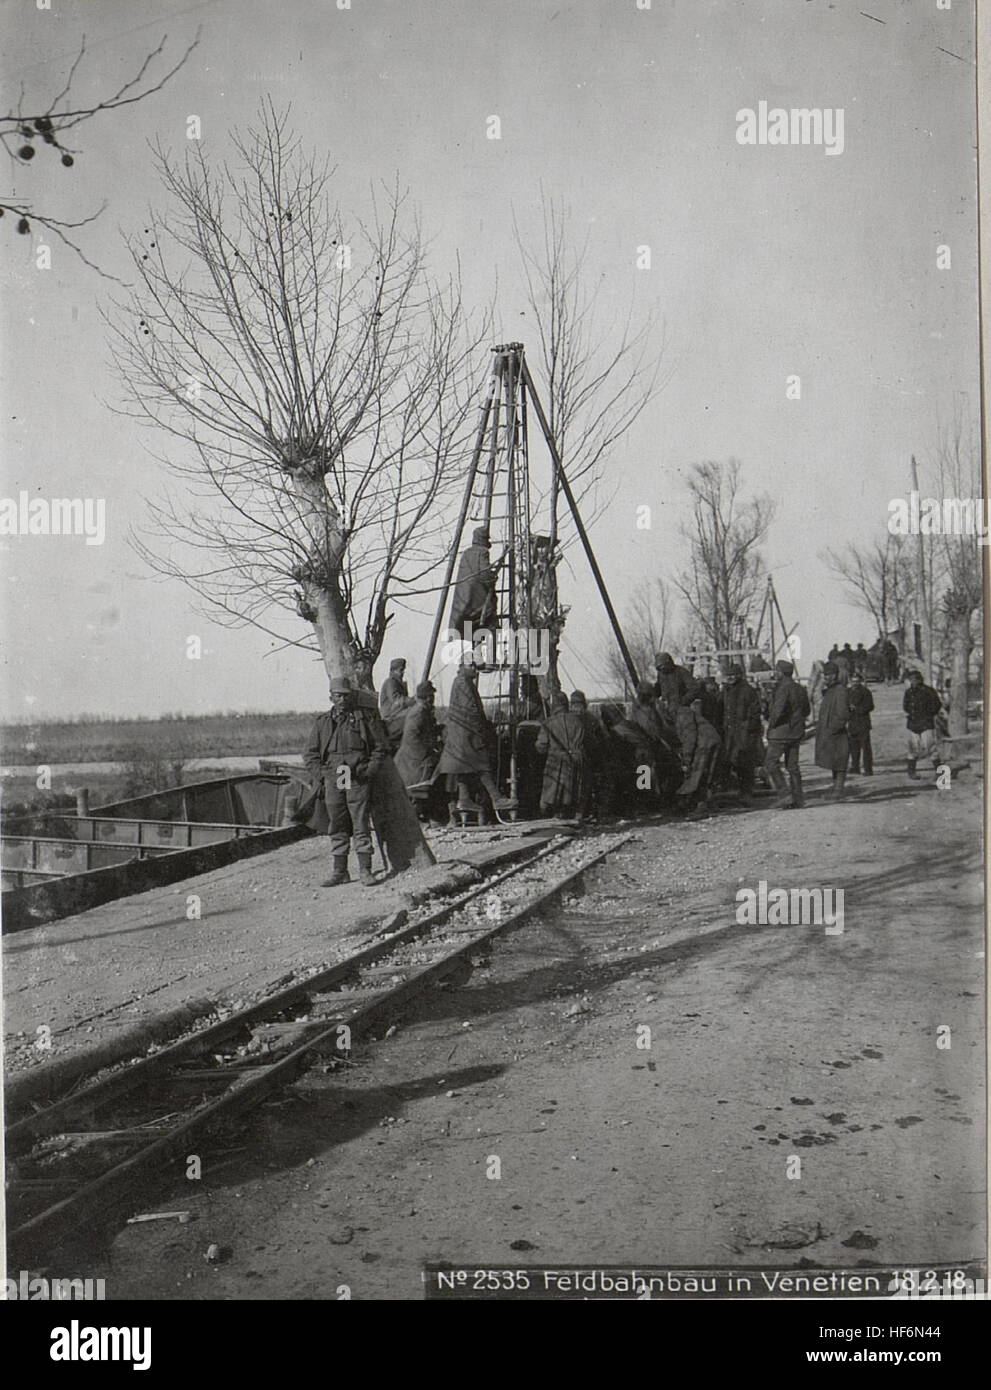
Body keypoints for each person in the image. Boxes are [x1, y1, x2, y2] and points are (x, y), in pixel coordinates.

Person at [304, 675, 390, 887]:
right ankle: (340, 871)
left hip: (357, 777)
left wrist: (369, 770)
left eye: (345, 695)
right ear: (331, 697)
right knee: (338, 823)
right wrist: (323, 775)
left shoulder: (363, 719)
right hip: (335, 778)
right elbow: (310, 754)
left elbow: (380, 747)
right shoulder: (323, 722)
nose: (342, 700)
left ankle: (365, 870)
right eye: (337, 696)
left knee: (360, 821)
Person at [435, 663, 516, 815]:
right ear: (463, 667)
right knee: (481, 764)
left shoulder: (461, 681)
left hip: (460, 736)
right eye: (471, 666)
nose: (475, 669)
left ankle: (465, 799)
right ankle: (496, 799)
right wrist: (484, 728)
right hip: (466, 734)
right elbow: (470, 711)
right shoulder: (463, 683)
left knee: (463, 766)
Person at [763, 659, 809, 809]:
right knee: (792, 766)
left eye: (776, 671)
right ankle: (798, 798)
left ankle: (784, 794)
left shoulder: (782, 689)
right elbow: (807, 710)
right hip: (796, 732)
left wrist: (771, 725)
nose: (775, 673)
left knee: (770, 763)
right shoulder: (800, 688)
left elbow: (778, 711)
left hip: (780, 733)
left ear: (781, 673)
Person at [535, 692, 587, 818]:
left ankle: (554, 816)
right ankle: (574, 815)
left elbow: (542, 746)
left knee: (553, 791)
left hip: (556, 760)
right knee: (574, 789)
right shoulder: (578, 721)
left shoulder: (549, 723)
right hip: (577, 758)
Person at [448, 526, 504, 641]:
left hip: (462, 603)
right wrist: (493, 577)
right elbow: (484, 574)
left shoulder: (466, 553)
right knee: (490, 618)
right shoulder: (482, 552)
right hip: (476, 601)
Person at [395, 681, 441, 810]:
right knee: (417, 787)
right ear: (428, 697)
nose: (433, 699)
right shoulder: (419, 712)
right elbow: (412, 735)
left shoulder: (423, 710)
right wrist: (429, 751)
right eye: (431, 695)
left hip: (414, 755)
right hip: (413, 758)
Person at [675, 694, 722, 815]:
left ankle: (701, 806)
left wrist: (687, 759)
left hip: (704, 743)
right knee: (707, 774)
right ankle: (709, 803)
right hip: (712, 739)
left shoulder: (682, 713)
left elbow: (690, 736)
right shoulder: (685, 712)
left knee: (698, 774)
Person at [721, 663, 762, 803]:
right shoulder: (726, 691)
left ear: (739, 675)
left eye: (733, 675)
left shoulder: (748, 691)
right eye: (728, 675)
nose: (730, 678)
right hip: (731, 733)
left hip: (744, 734)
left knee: (746, 763)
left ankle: (747, 794)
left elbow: (756, 713)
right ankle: (740, 791)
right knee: (734, 762)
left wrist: (748, 728)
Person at [815, 661, 850, 799]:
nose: (827, 678)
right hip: (832, 733)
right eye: (825, 675)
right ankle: (837, 789)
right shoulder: (831, 690)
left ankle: (838, 790)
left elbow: (842, 715)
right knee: (835, 762)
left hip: (836, 734)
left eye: (830, 675)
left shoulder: (840, 690)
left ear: (836, 675)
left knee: (839, 762)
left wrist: (831, 729)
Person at [570, 690, 608, 818]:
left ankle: (582, 812)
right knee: (588, 785)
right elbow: (601, 738)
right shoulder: (591, 718)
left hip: (578, 756)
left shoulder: (570, 718)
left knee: (581, 786)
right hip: (588, 755)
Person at [903, 669, 942, 779]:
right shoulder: (909, 692)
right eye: (911, 680)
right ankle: (911, 772)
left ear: (920, 679)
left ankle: (940, 772)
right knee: (912, 748)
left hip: (926, 724)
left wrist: (928, 714)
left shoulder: (928, 691)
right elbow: (905, 706)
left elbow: (937, 705)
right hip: (913, 724)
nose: (913, 682)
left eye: (915, 679)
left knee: (931, 747)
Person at [379, 657, 415, 751]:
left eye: (403, 670)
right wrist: (412, 700)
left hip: (397, 715)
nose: (403, 672)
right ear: (393, 670)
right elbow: (396, 699)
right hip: (390, 718)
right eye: (401, 670)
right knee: (414, 713)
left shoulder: (397, 683)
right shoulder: (391, 682)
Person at [847, 671, 875, 775]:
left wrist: (857, 708)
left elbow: (870, 706)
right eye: (853, 681)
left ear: (860, 681)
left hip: (863, 723)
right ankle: (855, 767)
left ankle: (868, 769)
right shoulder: (848, 691)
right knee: (853, 747)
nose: (855, 683)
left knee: (866, 747)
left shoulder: (866, 692)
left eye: (857, 681)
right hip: (852, 723)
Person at [653, 651, 694, 721]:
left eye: (663, 666)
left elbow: (694, 688)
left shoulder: (682, 672)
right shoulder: (661, 675)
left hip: (681, 710)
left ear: (669, 663)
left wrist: (683, 701)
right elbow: (658, 689)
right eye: (660, 668)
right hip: (666, 709)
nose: (662, 669)